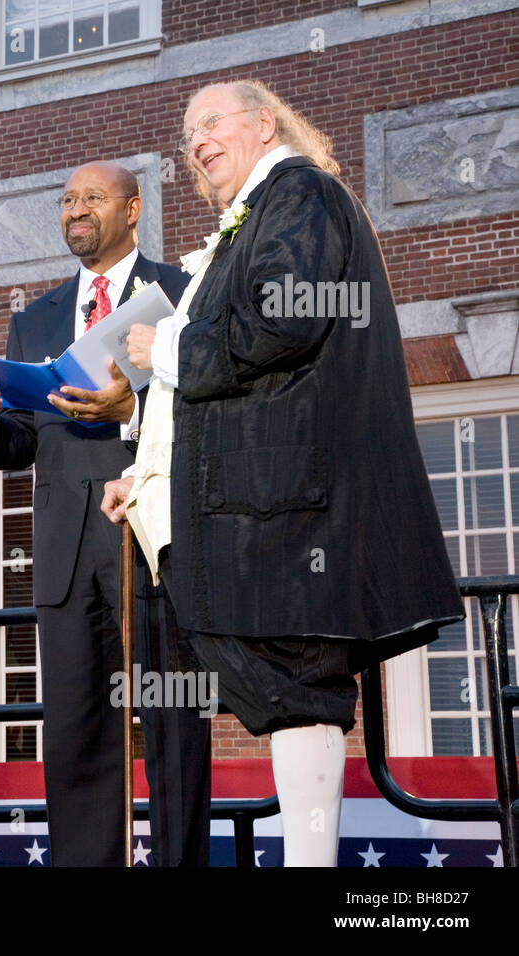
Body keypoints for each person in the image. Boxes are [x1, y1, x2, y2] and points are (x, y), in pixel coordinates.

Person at [105, 80, 463, 865]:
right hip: (264, 507)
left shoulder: (299, 193)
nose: (195, 141)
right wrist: (150, 476)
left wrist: (162, 346)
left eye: (211, 123)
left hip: (288, 511)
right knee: (290, 695)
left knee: (298, 690)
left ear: (263, 124)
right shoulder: (264, 213)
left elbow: (282, 320)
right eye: (186, 132)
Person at [0, 161, 204, 866]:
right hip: (62, 558)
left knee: (174, 729)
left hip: (155, 542)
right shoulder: (33, 319)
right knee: (75, 734)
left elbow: (212, 409)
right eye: (65, 200)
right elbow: (22, 441)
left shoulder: (180, 294)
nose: (75, 210)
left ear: (133, 208)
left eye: (92, 197)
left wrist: (134, 409)